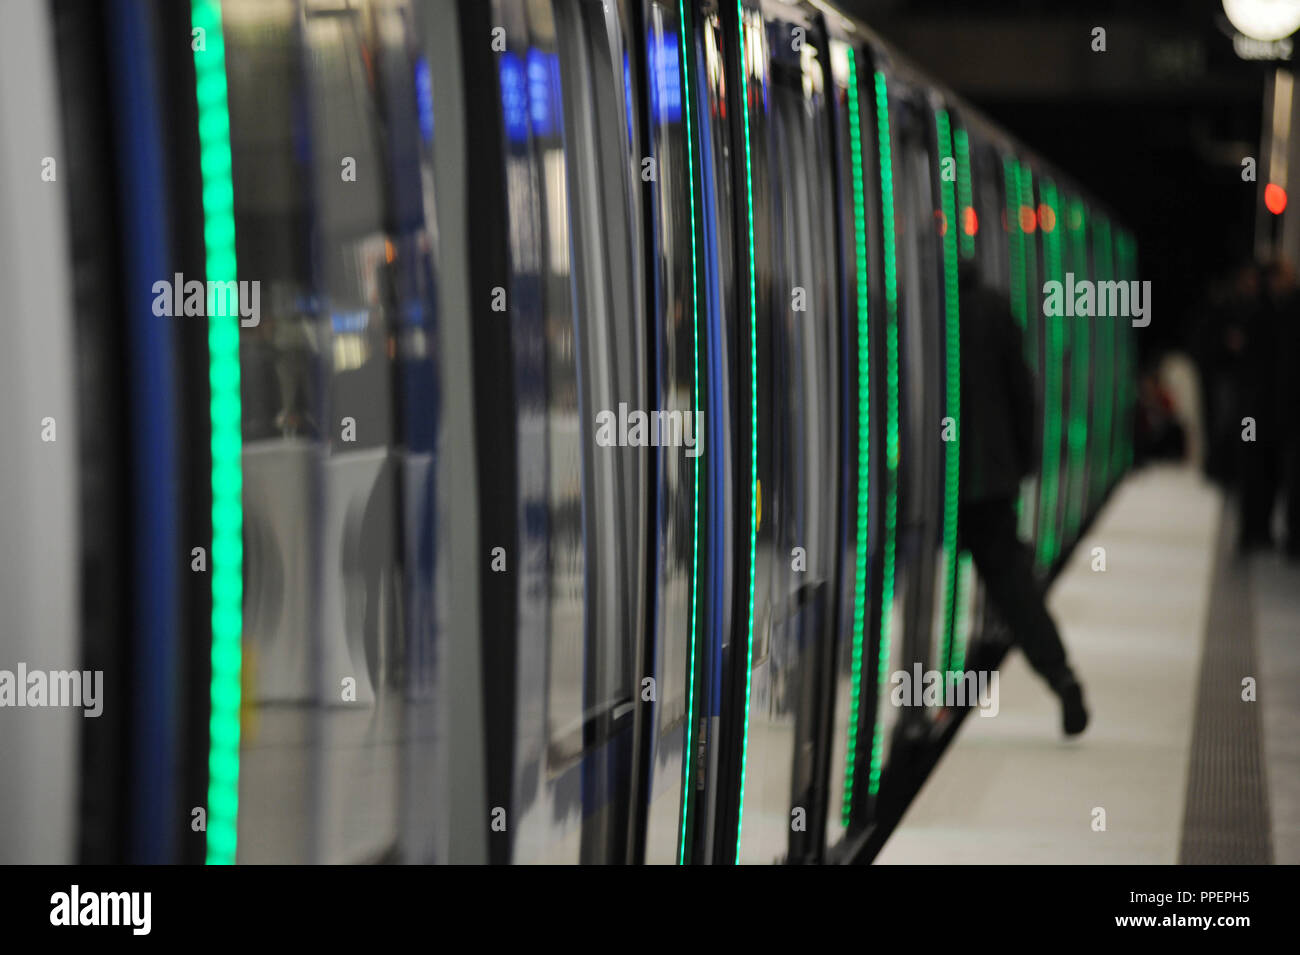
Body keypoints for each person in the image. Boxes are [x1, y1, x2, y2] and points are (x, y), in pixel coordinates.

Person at [957, 260, 1088, 736]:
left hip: (932, 479)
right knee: (1011, 582)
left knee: (884, 577)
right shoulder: (992, 307)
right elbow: (1022, 391)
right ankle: (1060, 674)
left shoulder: (916, 306)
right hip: (989, 476)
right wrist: (1022, 459)